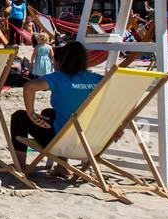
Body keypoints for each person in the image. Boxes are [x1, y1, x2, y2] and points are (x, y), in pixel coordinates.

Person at [9, 40, 100, 174]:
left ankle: (20, 167)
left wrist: (30, 113)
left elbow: (29, 87)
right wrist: (119, 124)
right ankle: (62, 167)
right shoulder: (95, 79)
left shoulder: (59, 77)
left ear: (62, 61)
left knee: (19, 117)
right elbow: (124, 92)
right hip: (90, 142)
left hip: (62, 142)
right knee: (49, 113)